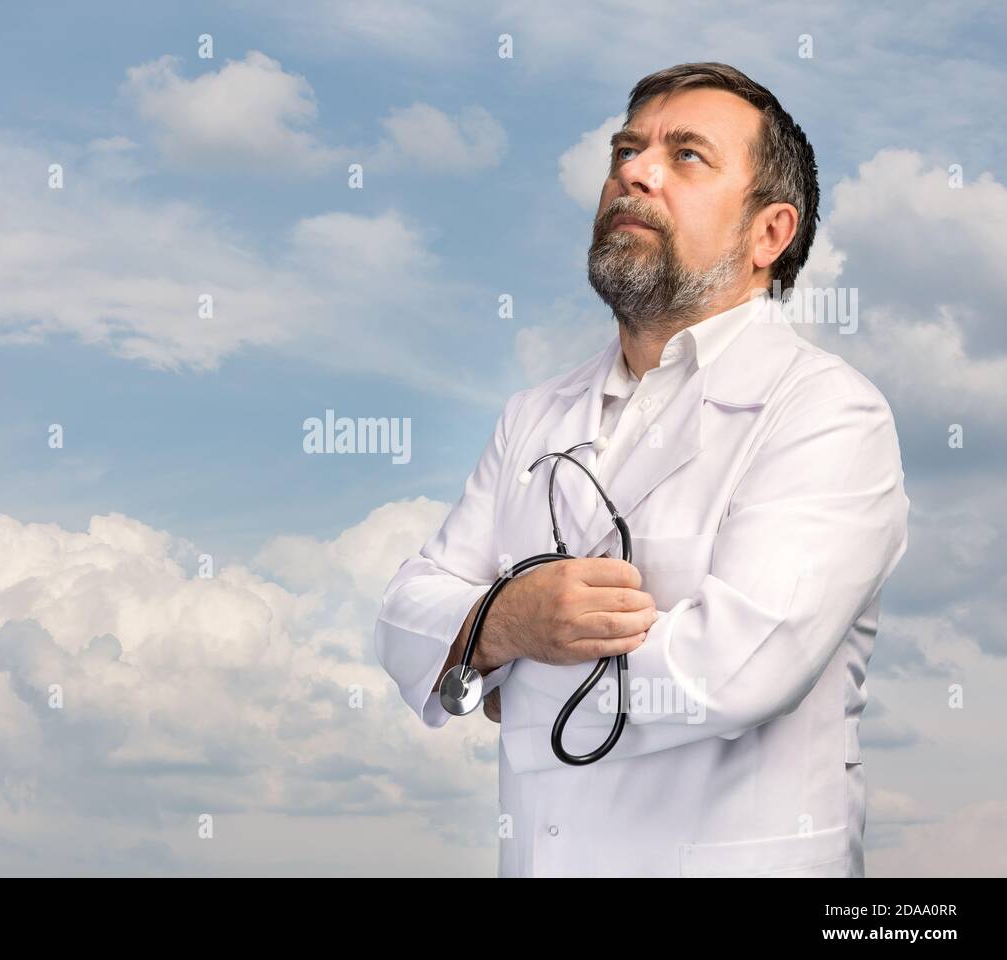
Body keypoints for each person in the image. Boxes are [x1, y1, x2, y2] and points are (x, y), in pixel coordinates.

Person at [373, 62, 909, 877]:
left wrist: (489, 662)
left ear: (770, 234)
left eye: (686, 155)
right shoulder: (533, 415)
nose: (634, 171)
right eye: (626, 150)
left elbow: (727, 674)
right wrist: (511, 620)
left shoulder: (828, 413)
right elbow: (404, 615)